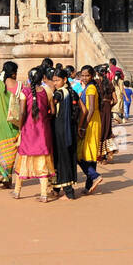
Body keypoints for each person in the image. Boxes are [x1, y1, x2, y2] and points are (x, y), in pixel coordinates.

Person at [12, 66, 56, 202]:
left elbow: (22, 112)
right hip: (43, 130)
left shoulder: (24, 92)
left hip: (28, 130)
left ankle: (17, 192)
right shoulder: (47, 91)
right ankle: (43, 194)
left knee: (23, 160)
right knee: (43, 161)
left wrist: (20, 127)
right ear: (42, 78)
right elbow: (53, 111)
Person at [50, 67, 81, 199]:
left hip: (60, 131)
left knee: (61, 159)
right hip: (71, 130)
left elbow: (51, 109)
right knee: (67, 157)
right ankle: (57, 189)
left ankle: (69, 192)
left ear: (64, 79)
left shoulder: (59, 94)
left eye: (57, 80)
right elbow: (83, 110)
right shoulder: (72, 92)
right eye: (53, 81)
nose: (55, 83)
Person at [76, 66, 103, 195]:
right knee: (90, 155)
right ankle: (88, 185)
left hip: (90, 122)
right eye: (83, 75)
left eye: (87, 75)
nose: (84, 78)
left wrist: (83, 126)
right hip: (92, 121)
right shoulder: (88, 87)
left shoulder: (91, 88)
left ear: (92, 76)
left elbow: (91, 109)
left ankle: (94, 176)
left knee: (80, 154)